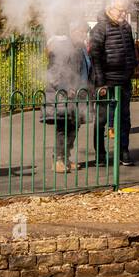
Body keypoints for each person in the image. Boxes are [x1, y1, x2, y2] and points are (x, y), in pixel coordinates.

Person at [89, 0, 138, 166]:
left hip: (124, 79)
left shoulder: (126, 27)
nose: (123, 13)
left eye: (125, 10)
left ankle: (123, 151)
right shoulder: (99, 29)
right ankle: (100, 155)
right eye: (120, 10)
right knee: (101, 120)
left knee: (125, 118)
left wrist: (132, 67)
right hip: (107, 80)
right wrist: (100, 82)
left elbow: (132, 49)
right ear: (110, 9)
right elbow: (95, 57)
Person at [43, 23, 91, 174]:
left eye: (85, 33)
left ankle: (66, 158)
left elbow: (87, 69)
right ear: (73, 31)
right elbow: (54, 72)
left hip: (79, 93)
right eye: (82, 32)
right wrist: (65, 88)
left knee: (74, 126)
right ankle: (57, 160)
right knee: (63, 128)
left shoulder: (81, 48)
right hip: (64, 94)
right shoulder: (63, 47)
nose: (84, 35)